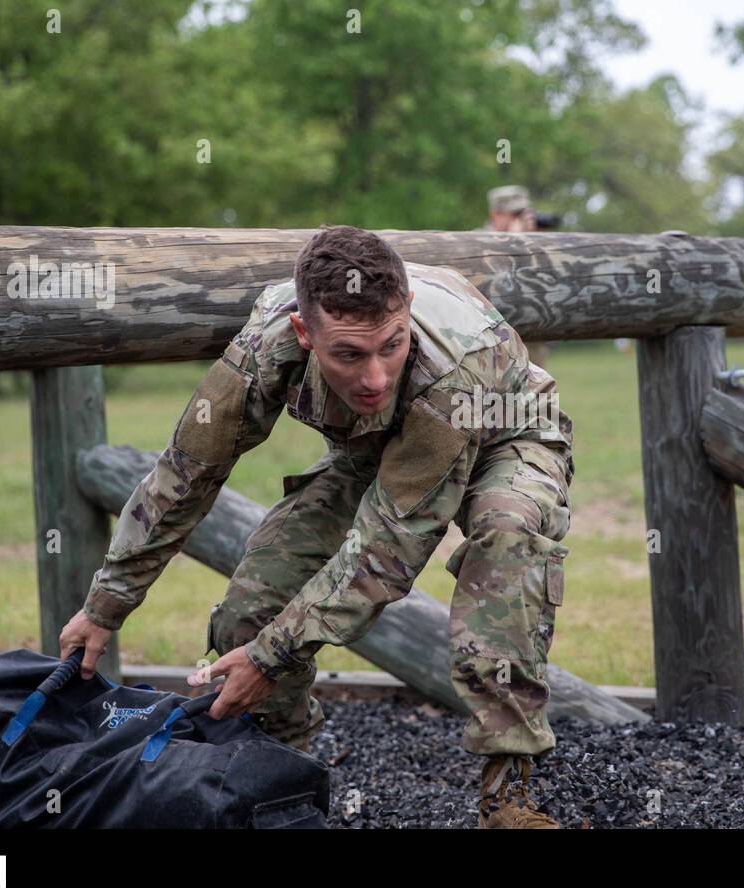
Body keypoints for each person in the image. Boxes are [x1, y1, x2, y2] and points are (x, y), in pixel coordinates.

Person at [58, 225, 574, 829]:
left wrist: (272, 656)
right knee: (250, 610)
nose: (375, 378)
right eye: (349, 356)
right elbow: (186, 474)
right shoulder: (263, 346)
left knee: (504, 540)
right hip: (373, 450)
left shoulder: (457, 361)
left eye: (391, 345)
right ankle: (282, 782)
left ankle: (507, 796)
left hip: (504, 433)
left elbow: (386, 553)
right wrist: (105, 605)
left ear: (405, 310)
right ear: (305, 334)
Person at [481, 185, 551, 369]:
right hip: (491, 352)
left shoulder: (533, 243)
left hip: (532, 349)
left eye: (524, 213)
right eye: (515, 213)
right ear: (495, 215)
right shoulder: (476, 241)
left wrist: (532, 243)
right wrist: (512, 243)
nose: (522, 219)